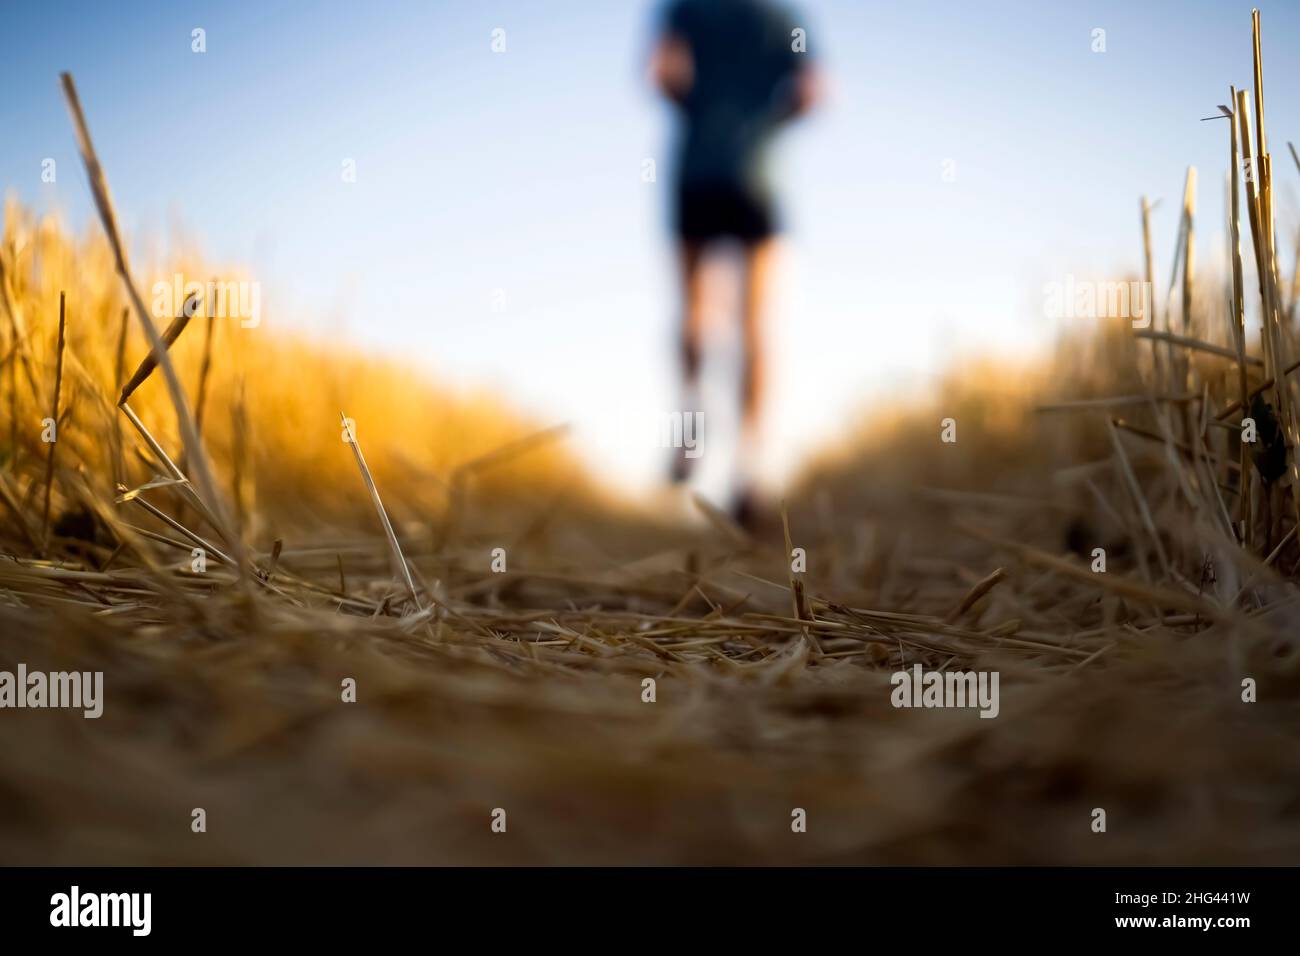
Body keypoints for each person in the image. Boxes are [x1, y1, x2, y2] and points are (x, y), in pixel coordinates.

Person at [650, 0, 820, 528]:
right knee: (756, 322)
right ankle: (750, 470)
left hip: (696, 171)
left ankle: (691, 421)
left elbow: (664, 72)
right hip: (758, 175)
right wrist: (761, 121)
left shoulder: (685, 10)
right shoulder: (780, 18)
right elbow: (812, 92)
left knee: (694, 309)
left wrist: (705, 109)